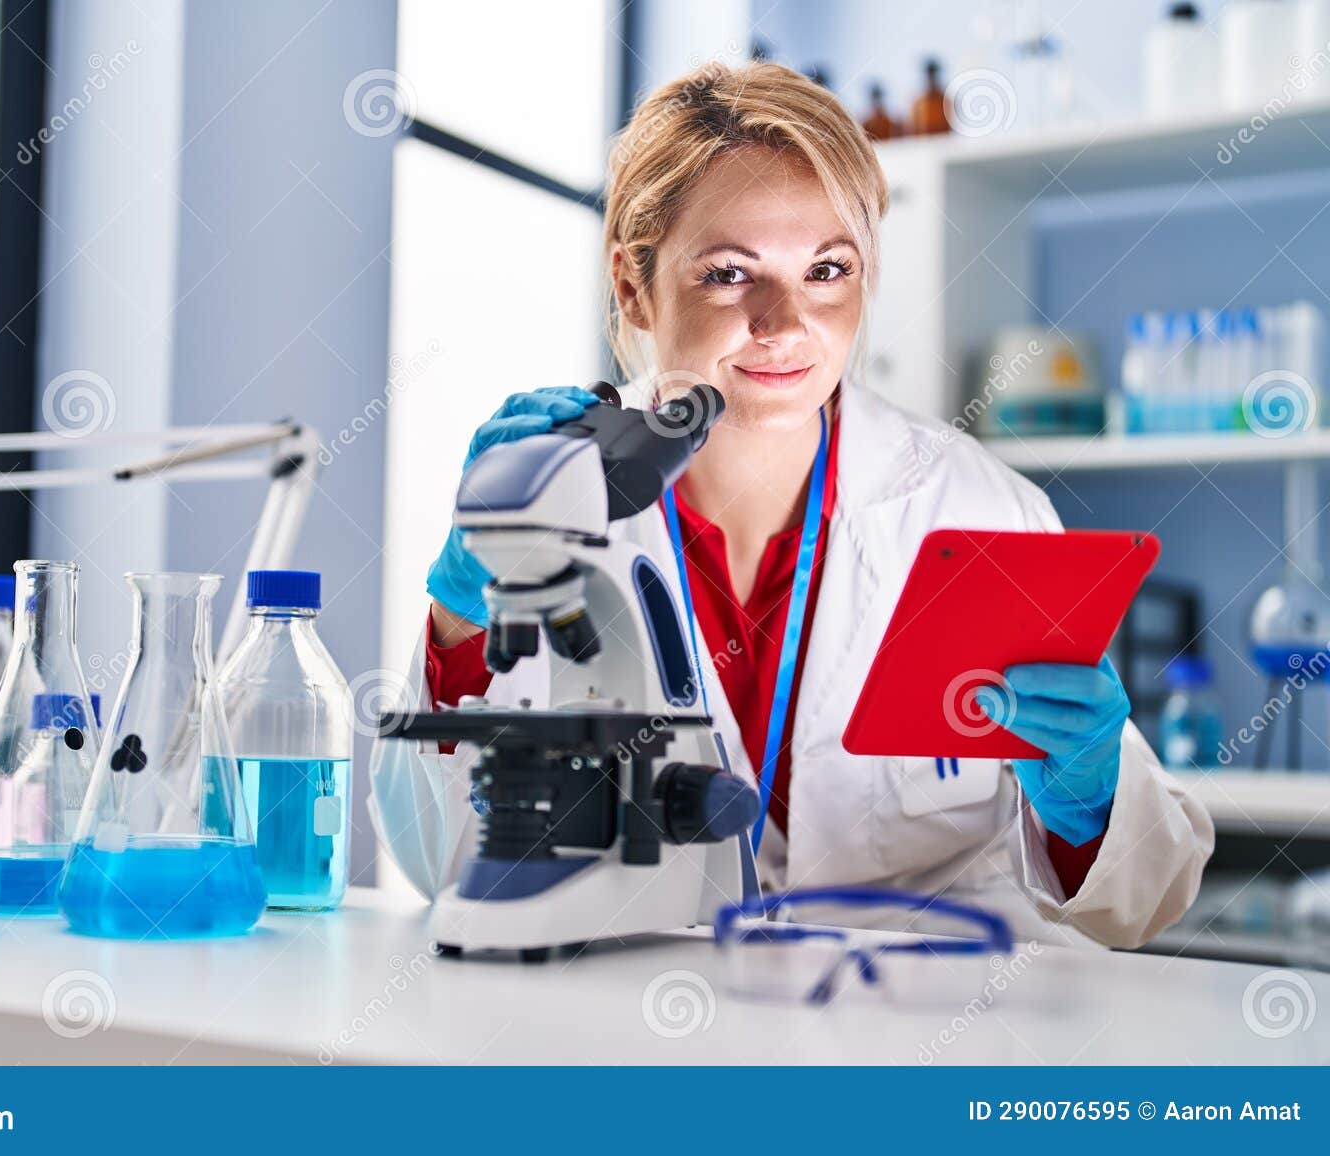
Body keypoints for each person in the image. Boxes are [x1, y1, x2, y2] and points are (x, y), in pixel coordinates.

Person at [369, 61, 1212, 949]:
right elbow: (440, 862)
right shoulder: (551, 499)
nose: (784, 322)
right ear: (631, 284)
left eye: (827, 269)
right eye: (730, 273)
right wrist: (461, 615)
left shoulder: (979, 510)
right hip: (637, 1024)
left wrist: (1092, 801)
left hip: (917, 1030)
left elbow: (1144, 899)